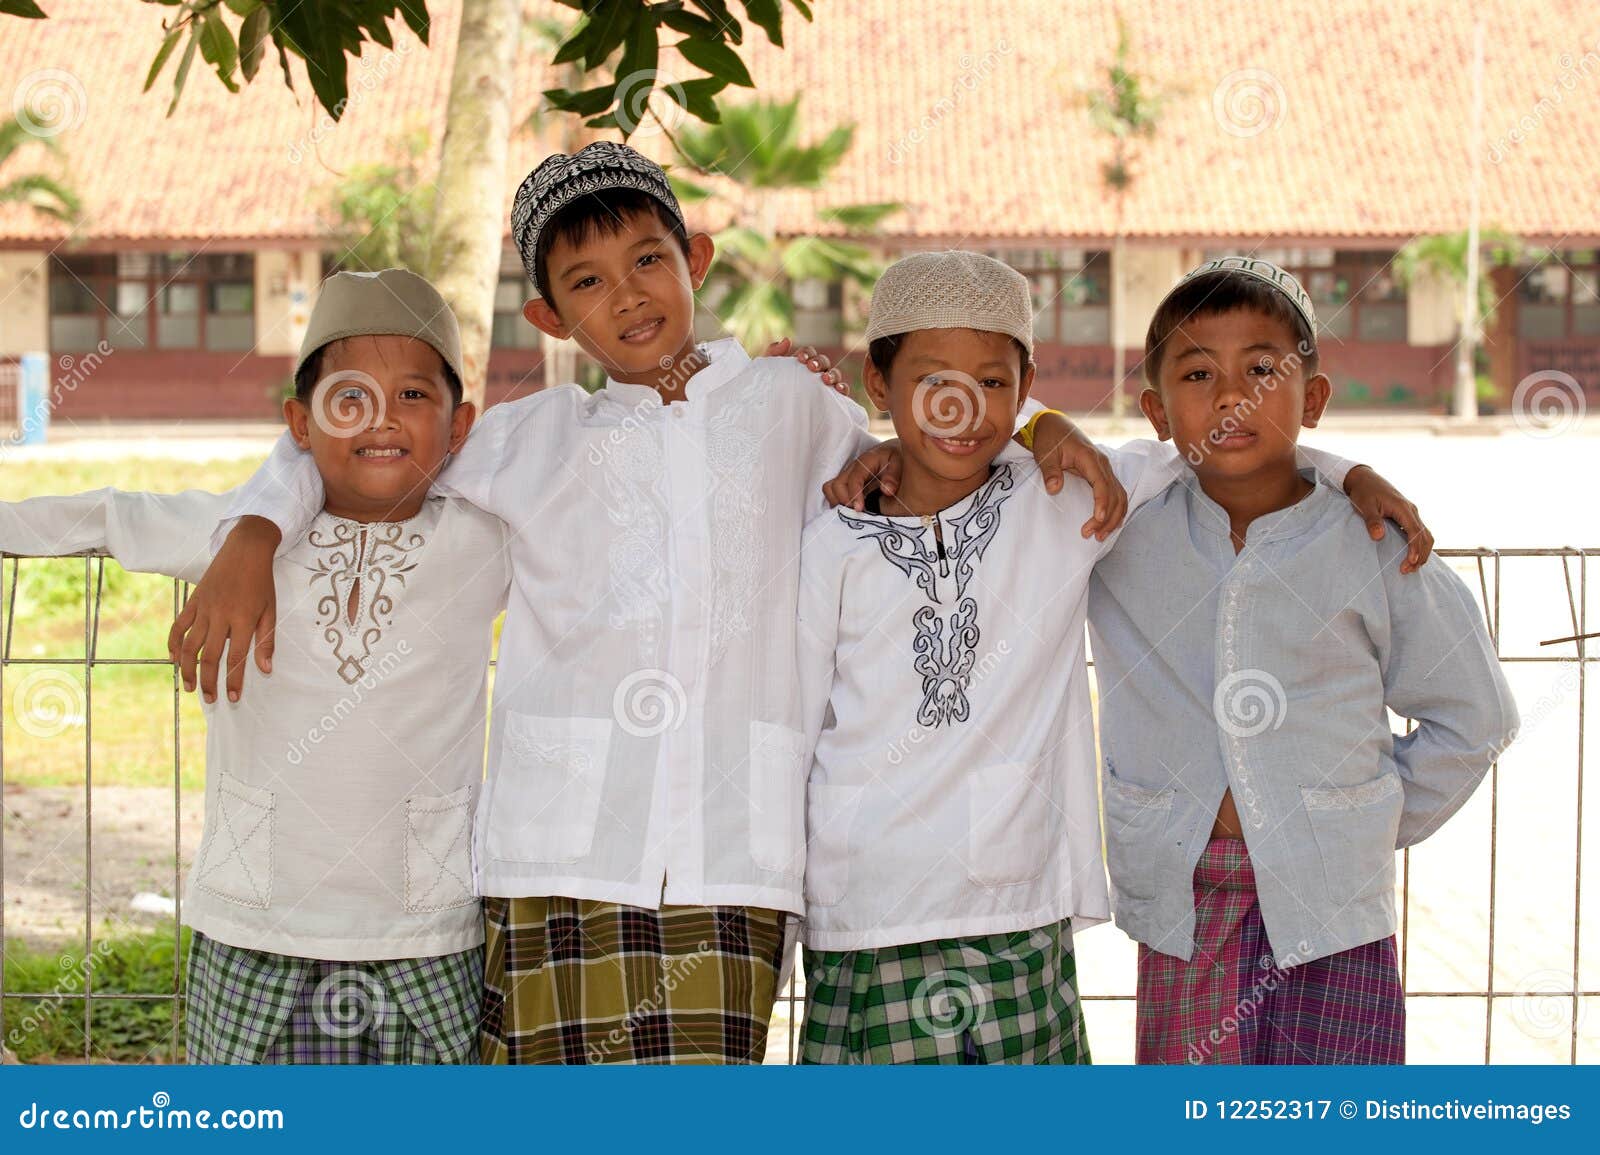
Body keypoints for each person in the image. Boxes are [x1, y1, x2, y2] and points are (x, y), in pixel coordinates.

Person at [166, 144, 1122, 1064]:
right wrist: (256, 527)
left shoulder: (795, 404)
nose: (625, 295)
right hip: (554, 861)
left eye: (648, 261)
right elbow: (362, 445)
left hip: (730, 861)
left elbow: (936, 441)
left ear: (694, 260)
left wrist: (1040, 426)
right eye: (587, 281)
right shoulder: (527, 439)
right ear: (548, 317)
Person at [795, 252, 1418, 1064]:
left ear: (1026, 385)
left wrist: (1349, 473)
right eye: (932, 381)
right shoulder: (832, 539)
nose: (961, 405)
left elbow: (1226, 444)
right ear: (878, 384)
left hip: (1016, 906)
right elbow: (794, 719)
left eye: (994, 383)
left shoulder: (1063, 500)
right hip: (863, 912)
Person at [0, 269, 507, 1063]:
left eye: (413, 395)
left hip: (425, 932)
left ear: (460, 424)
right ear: (299, 424)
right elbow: (108, 514)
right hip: (254, 927)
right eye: (348, 397)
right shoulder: (229, 534)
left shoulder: (483, 541)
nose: (381, 418)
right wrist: (258, 523)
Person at [1087, 256, 1520, 1063]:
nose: (1231, 396)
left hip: (1334, 909)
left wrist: (1358, 820)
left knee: (1339, 1111)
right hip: (1186, 904)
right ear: (1155, 410)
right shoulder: (1114, 533)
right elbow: (1000, 452)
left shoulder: (1373, 542)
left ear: (1313, 399)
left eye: (1262, 370)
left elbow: (1477, 716)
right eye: (1198, 374)